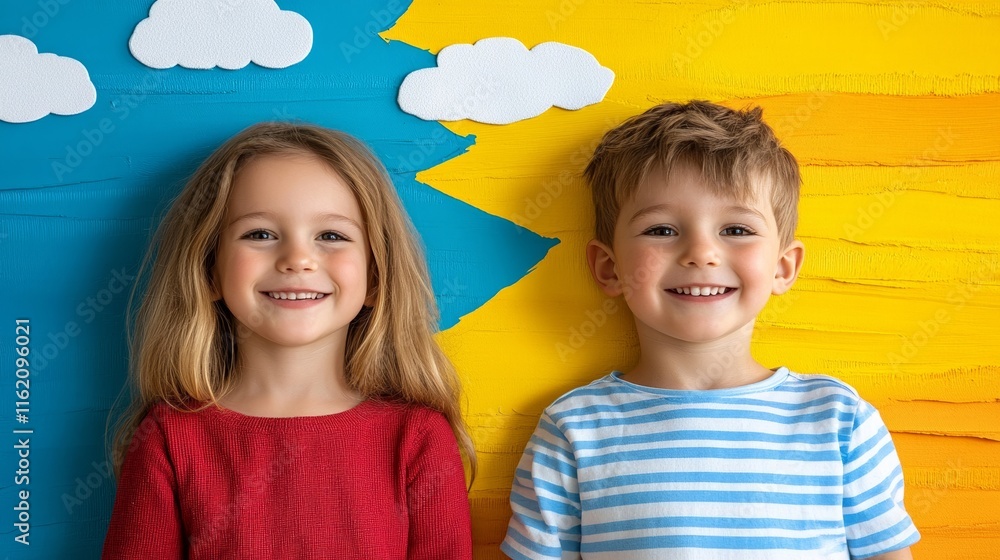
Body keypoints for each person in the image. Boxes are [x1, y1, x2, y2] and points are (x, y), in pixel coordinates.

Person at [501, 101, 919, 559]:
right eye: (660, 230)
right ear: (609, 267)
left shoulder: (838, 420)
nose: (701, 252)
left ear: (783, 267)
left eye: (737, 229)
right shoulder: (573, 429)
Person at [103, 122, 474, 559]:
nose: (297, 259)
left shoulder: (417, 438)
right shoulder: (168, 437)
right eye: (259, 234)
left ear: (376, 276)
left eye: (331, 236)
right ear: (208, 270)